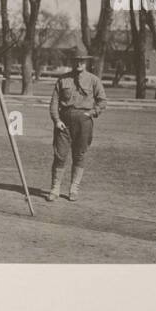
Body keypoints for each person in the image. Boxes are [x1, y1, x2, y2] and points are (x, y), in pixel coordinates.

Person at [48, 50, 107, 201]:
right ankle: (55, 188)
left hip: (84, 122)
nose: (79, 63)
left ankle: (74, 188)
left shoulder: (94, 80)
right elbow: (54, 102)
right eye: (76, 61)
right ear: (72, 62)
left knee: (79, 155)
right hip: (64, 122)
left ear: (86, 63)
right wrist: (57, 120)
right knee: (60, 155)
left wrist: (93, 113)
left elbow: (102, 101)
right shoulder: (63, 80)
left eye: (82, 61)